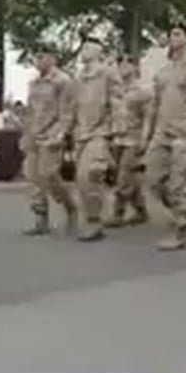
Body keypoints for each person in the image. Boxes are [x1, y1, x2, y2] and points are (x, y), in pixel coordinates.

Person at [143, 22, 186, 251]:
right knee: (153, 179)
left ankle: (179, 227)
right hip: (162, 133)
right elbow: (154, 105)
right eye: (171, 34)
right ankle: (184, 212)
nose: (173, 37)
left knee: (178, 182)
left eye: (178, 33)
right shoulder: (162, 74)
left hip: (184, 133)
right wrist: (148, 134)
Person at [69, 37, 122, 242]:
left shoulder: (107, 73)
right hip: (81, 134)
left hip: (100, 132)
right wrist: (67, 130)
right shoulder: (79, 78)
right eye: (83, 47)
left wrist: (116, 131)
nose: (83, 51)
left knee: (88, 176)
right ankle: (92, 215)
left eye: (88, 47)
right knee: (80, 181)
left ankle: (94, 220)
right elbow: (73, 107)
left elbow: (117, 101)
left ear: (98, 51)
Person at [20, 47, 77, 236]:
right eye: (36, 56)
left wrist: (60, 134)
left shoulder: (62, 81)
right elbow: (30, 111)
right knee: (33, 176)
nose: (37, 60)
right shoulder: (34, 83)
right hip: (34, 135)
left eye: (41, 56)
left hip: (51, 134)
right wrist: (26, 134)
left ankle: (70, 206)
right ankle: (41, 219)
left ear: (52, 58)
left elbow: (66, 112)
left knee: (49, 174)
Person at [107, 54, 150, 228]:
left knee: (124, 176)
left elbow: (148, 117)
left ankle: (118, 212)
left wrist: (145, 139)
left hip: (133, 138)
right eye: (120, 61)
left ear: (136, 67)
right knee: (126, 175)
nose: (124, 64)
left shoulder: (142, 90)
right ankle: (141, 210)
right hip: (117, 137)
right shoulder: (115, 90)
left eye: (129, 61)